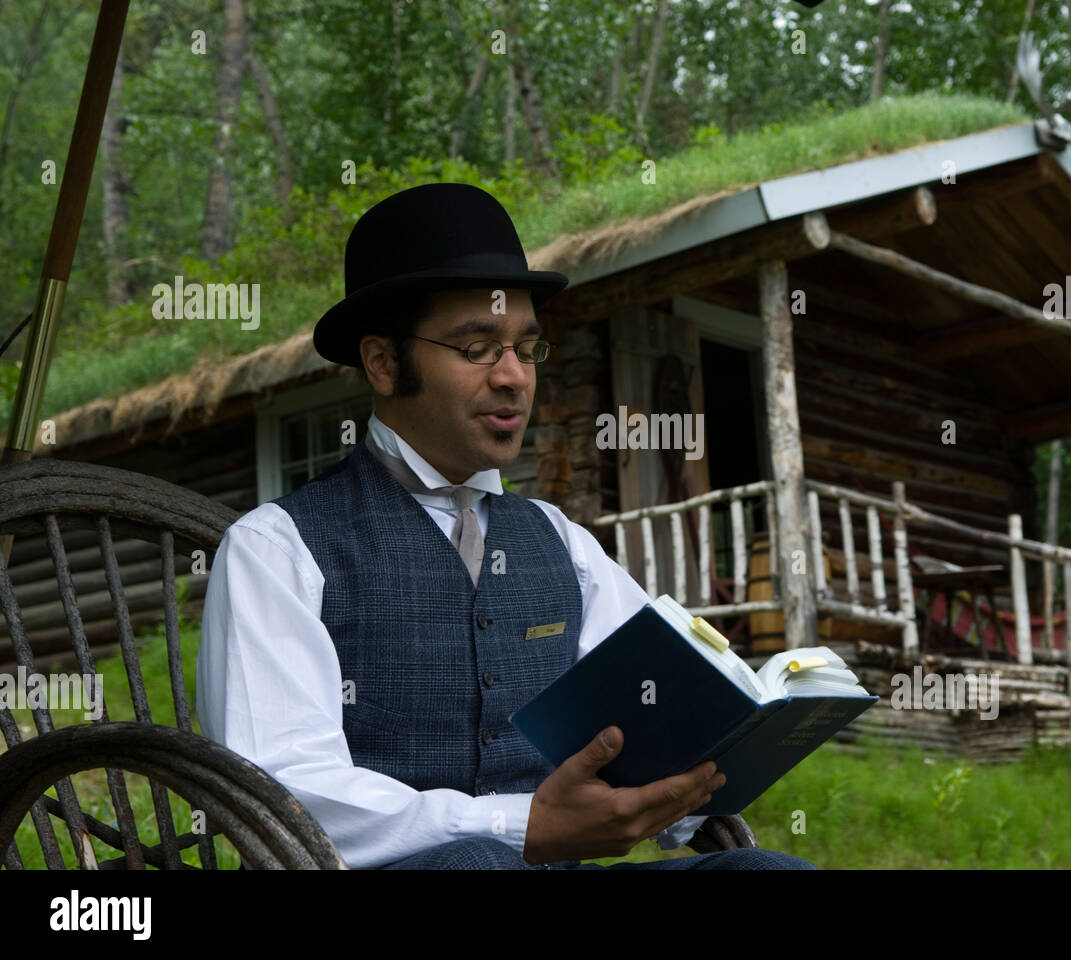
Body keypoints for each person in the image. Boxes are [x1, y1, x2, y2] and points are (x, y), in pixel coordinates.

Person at [196, 183, 816, 871]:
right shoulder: (276, 549)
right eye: (477, 348)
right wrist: (517, 825)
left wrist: (706, 766)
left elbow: (661, 705)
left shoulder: (559, 541)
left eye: (526, 348)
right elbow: (281, 790)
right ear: (381, 361)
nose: (515, 377)